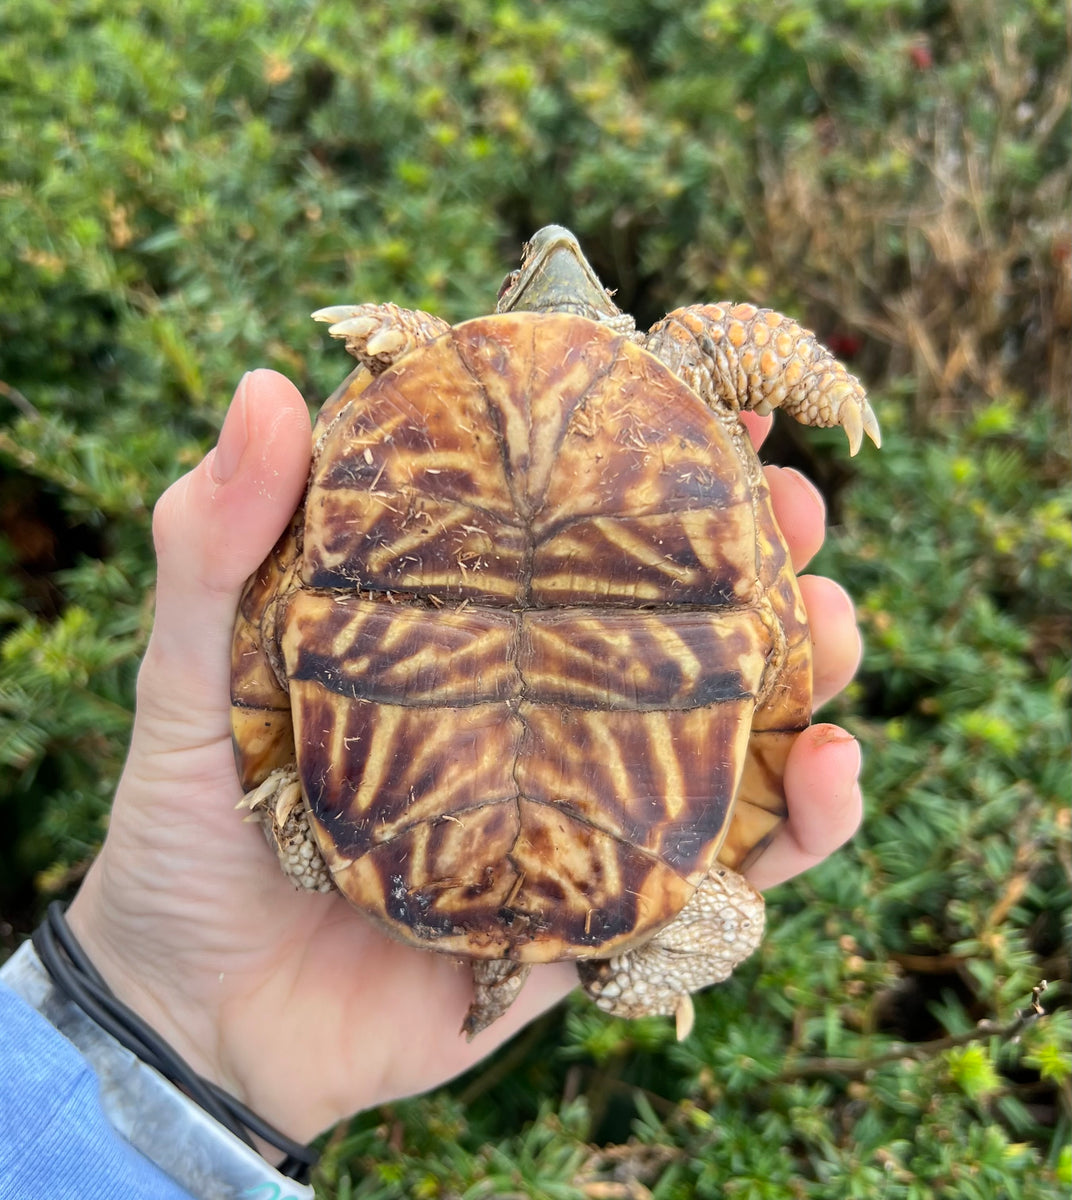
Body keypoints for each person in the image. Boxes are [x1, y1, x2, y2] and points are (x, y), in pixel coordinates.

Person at [0, 369, 865, 1198]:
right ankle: (618, 940)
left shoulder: (419, 380)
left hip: (415, 868)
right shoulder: (671, 380)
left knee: (701, 909)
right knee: (718, 899)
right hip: (585, 877)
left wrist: (157, 1015)